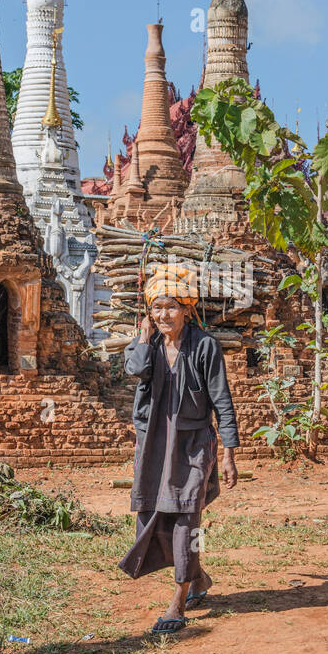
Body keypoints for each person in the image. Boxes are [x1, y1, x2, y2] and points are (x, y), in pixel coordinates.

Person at [119, 264, 239, 634]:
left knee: (187, 518)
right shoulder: (148, 345)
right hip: (153, 444)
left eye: (171, 307)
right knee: (157, 514)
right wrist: (143, 333)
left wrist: (229, 451)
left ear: (187, 309)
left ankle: (178, 600)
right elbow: (134, 369)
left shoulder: (204, 346)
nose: (164, 315)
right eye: (157, 307)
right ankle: (198, 578)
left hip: (192, 446)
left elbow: (222, 399)